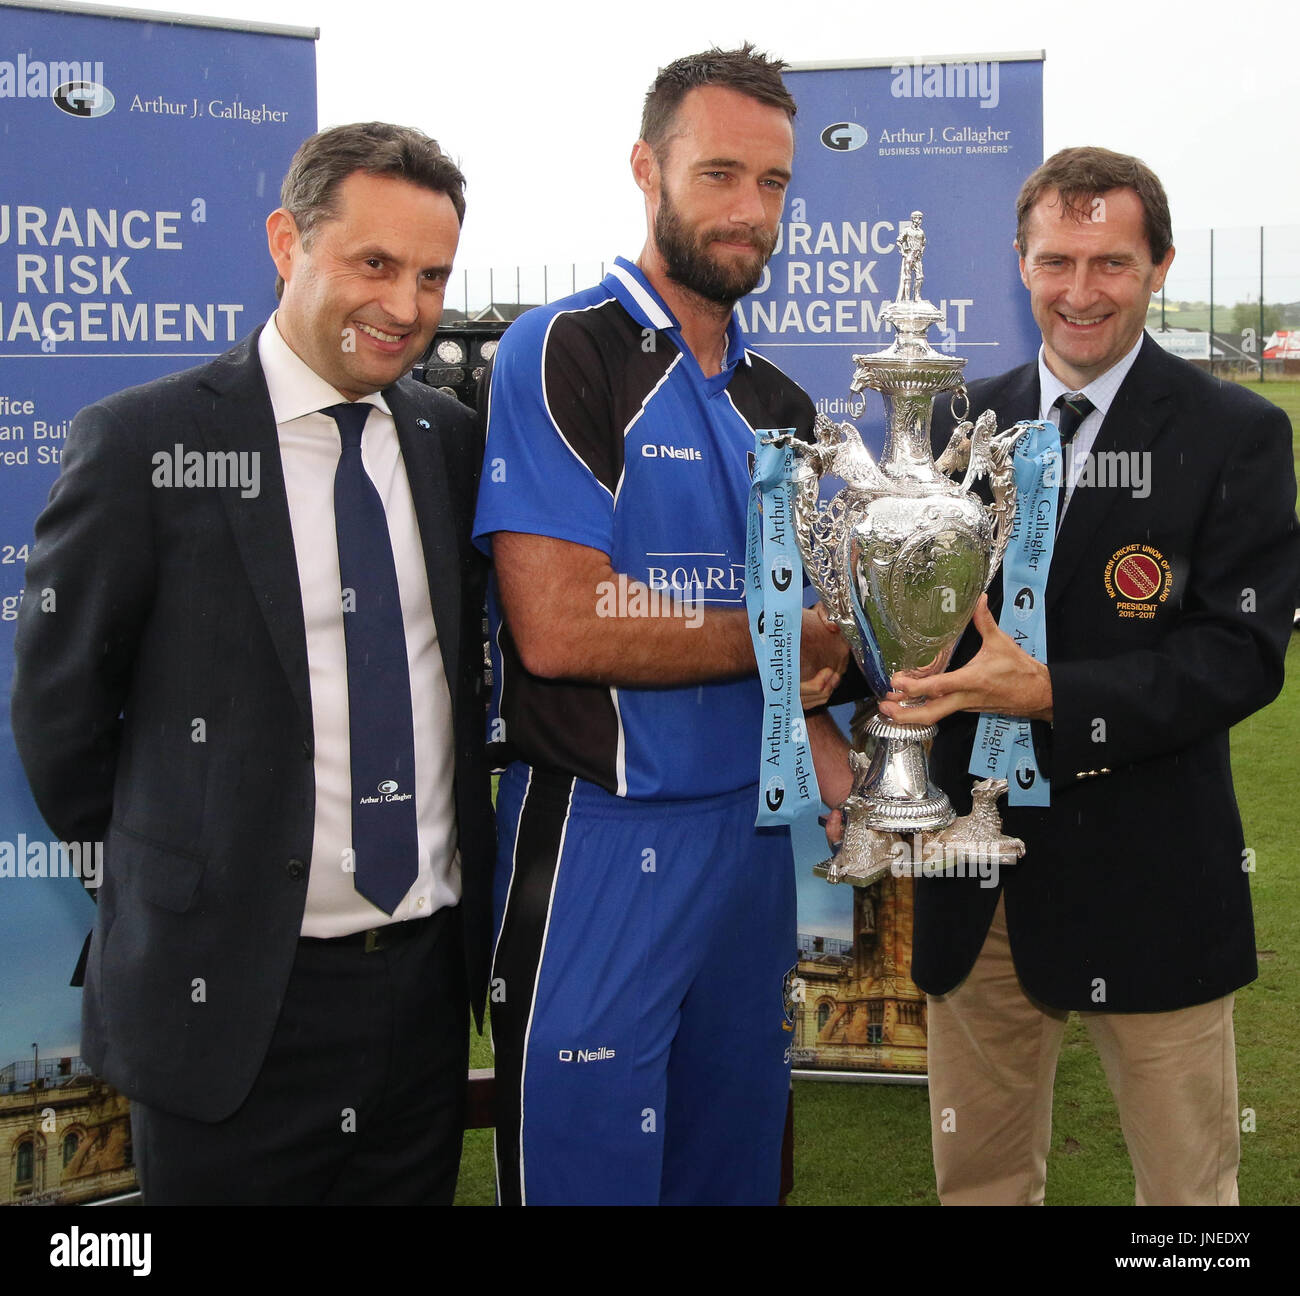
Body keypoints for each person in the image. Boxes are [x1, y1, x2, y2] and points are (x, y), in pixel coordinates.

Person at [10, 122, 495, 1205]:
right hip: (224, 998)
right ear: (288, 242)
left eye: (432, 275)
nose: (407, 306)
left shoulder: (448, 441)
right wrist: (177, 881)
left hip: (418, 993)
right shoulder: (142, 444)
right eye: (374, 264)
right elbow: (59, 718)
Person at [879, 146, 1300, 1205]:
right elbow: (906, 618)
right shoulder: (944, 424)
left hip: (1152, 876)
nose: (1079, 291)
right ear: (1019, 263)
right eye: (1055, 260)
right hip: (974, 879)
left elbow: (1238, 654)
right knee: (976, 1185)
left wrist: (1056, 697)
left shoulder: (1236, 433)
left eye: (1109, 263)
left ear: (1157, 267)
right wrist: (860, 670)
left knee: (1187, 1196)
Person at [472, 44, 849, 1206]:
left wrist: (842, 723)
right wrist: (789, 637)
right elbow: (560, 627)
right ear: (648, 167)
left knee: (730, 1165)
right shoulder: (566, 347)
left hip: (748, 837)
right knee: (589, 1171)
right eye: (721, 173)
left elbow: (823, 644)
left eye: (774, 184)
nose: (750, 211)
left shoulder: (779, 398)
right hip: (597, 831)